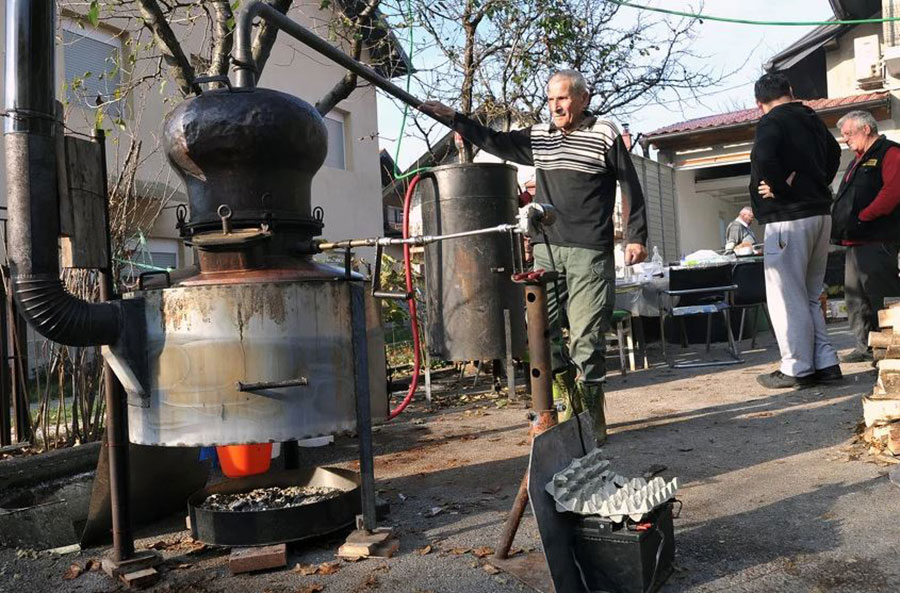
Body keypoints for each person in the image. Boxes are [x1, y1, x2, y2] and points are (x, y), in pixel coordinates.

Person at [418, 70, 648, 444]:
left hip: (589, 249)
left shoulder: (604, 133)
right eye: (551, 99)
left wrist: (635, 236)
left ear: (583, 98)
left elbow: (630, 186)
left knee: (587, 337)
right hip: (545, 247)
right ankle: (562, 404)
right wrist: (454, 118)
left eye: (563, 98)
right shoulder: (540, 137)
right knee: (540, 333)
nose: (555, 106)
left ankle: (589, 418)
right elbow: (495, 141)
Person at [750, 72, 842, 389]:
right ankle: (826, 362)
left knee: (787, 296)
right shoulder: (811, 118)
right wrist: (813, 185)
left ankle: (796, 367)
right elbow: (835, 153)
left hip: (787, 218)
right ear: (790, 90)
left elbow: (764, 156)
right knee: (810, 295)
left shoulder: (771, 121)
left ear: (759, 103)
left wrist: (781, 189)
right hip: (819, 213)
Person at [831, 110, 900, 363]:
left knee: (882, 299)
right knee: (856, 299)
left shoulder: (889, 153)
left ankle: (891, 352)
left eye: (848, 133)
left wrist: (865, 216)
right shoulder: (857, 160)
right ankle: (865, 348)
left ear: (866, 129)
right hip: (855, 241)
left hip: (877, 239)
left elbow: (893, 191)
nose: (845, 139)